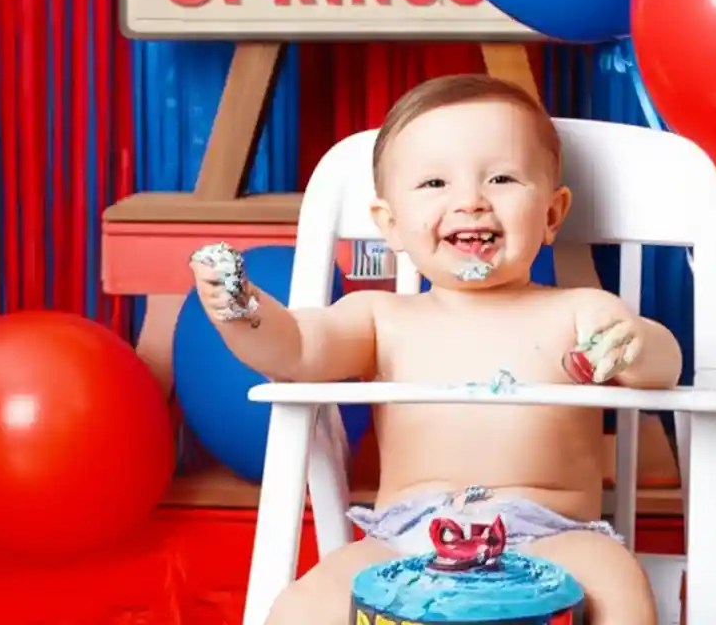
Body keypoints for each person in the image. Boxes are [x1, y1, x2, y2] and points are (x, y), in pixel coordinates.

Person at [189, 74, 683, 625]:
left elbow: (663, 365)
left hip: (552, 536)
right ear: (391, 225)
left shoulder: (577, 311)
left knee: (617, 584)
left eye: (500, 178)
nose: (470, 201)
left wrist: (633, 345)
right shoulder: (381, 319)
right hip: (406, 540)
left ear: (551, 215)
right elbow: (299, 347)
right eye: (433, 184)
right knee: (301, 609)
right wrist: (243, 311)